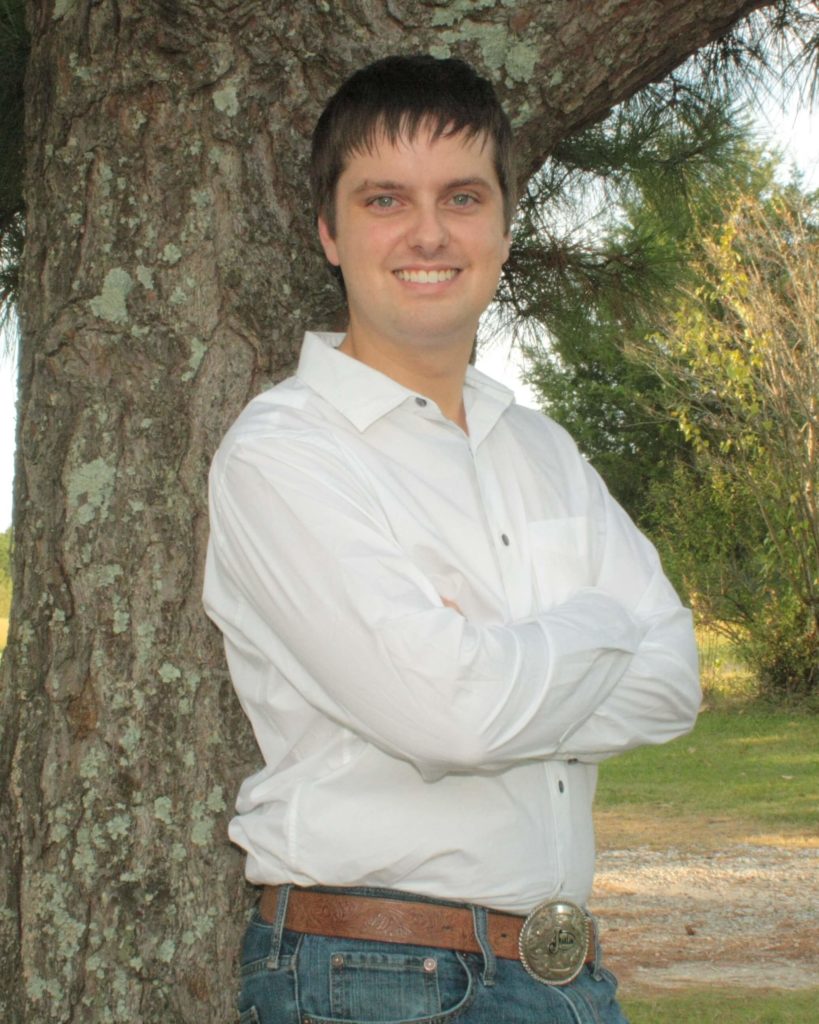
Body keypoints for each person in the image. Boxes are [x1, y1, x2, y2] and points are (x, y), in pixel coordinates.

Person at [203, 54, 700, 1024]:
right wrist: (597, 626)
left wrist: (491, 667)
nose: (429, 232)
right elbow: (450, 717)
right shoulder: (283, 453)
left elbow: (675, 678)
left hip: (564, 975)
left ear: (504, 227)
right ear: (329, 230)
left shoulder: (540, 447)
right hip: (370, 980)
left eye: (462, 196)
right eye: (385, 198)